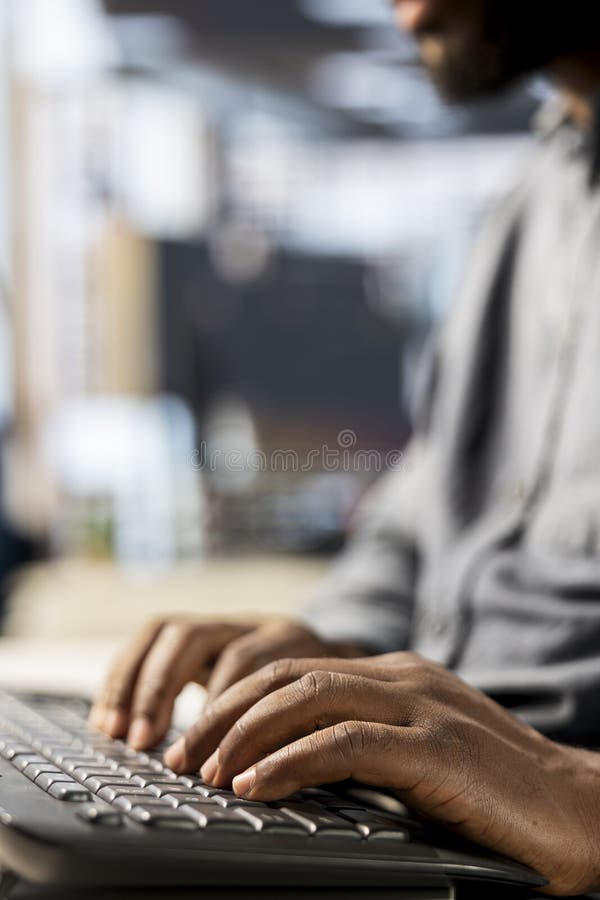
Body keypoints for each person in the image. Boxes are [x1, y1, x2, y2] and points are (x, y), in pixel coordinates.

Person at [91, 1, 600, 893]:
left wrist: (578, 793)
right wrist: (332, 643)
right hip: (430, 807)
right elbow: (428, 505)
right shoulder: (531, 203)